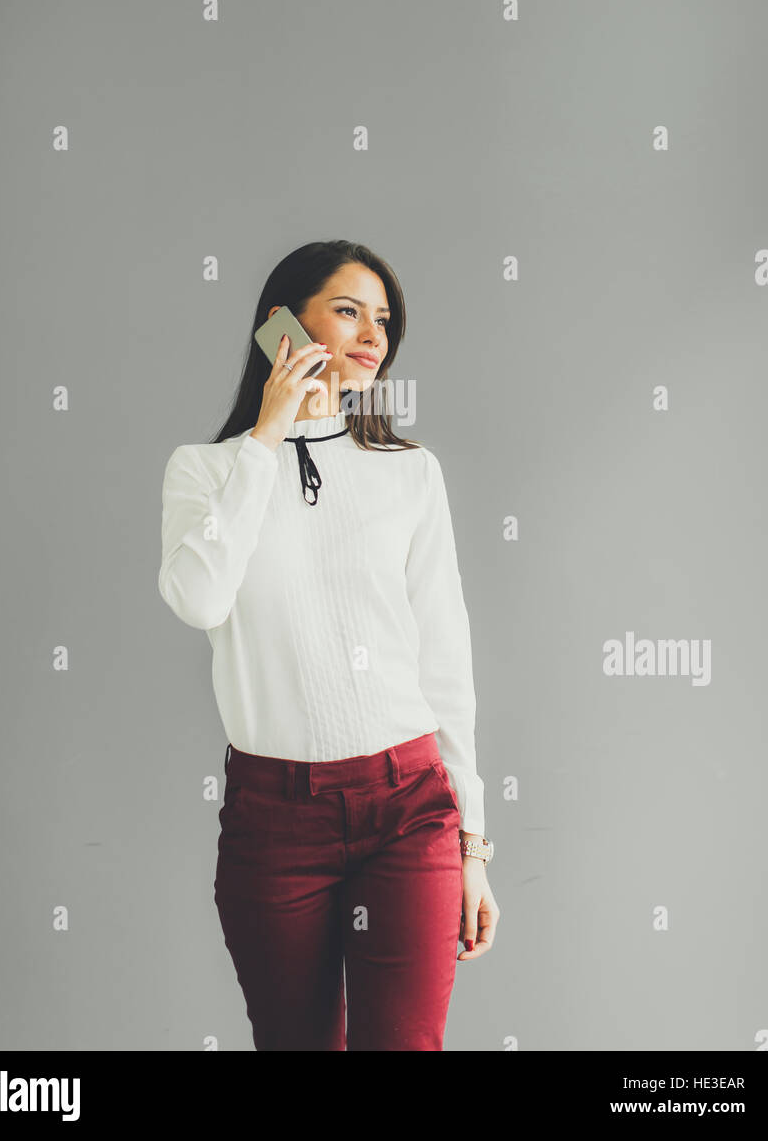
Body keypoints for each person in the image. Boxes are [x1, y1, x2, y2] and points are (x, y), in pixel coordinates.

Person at [158, 239, 499, 1050]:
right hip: (274, 819)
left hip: (409, 805)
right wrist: (265, 442)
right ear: (280, 324)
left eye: (383, 319)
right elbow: (198, 597)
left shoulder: (410, 473)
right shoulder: (206, 473)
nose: (372, 333)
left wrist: (473, 845)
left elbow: (445, 665)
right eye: (348, 310)